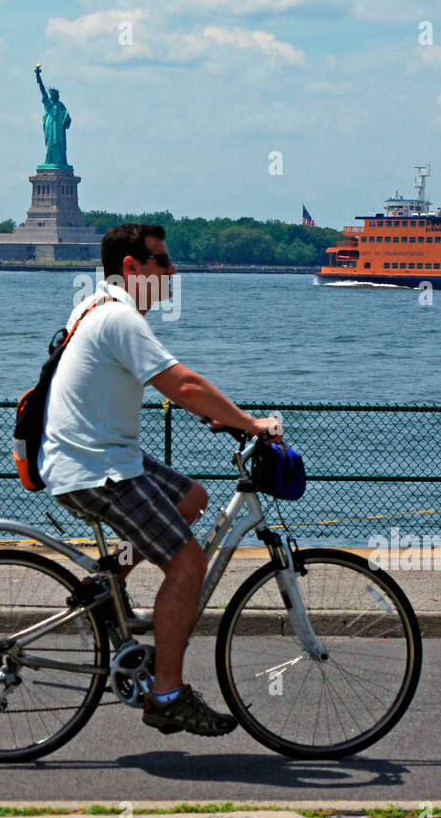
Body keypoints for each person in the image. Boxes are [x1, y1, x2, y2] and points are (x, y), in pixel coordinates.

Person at [40, 224, 281, 736]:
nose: (174, 272)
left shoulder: (92, 308)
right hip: (97, 470)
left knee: (193, 498)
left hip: (95, 456)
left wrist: (221, 416)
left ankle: (106, 584)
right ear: (132, 268)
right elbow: (184, 383)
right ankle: (167, 695)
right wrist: (251, 423)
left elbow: (165, 387)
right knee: (188, 564)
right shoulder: (120, 319)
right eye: (163, 262)